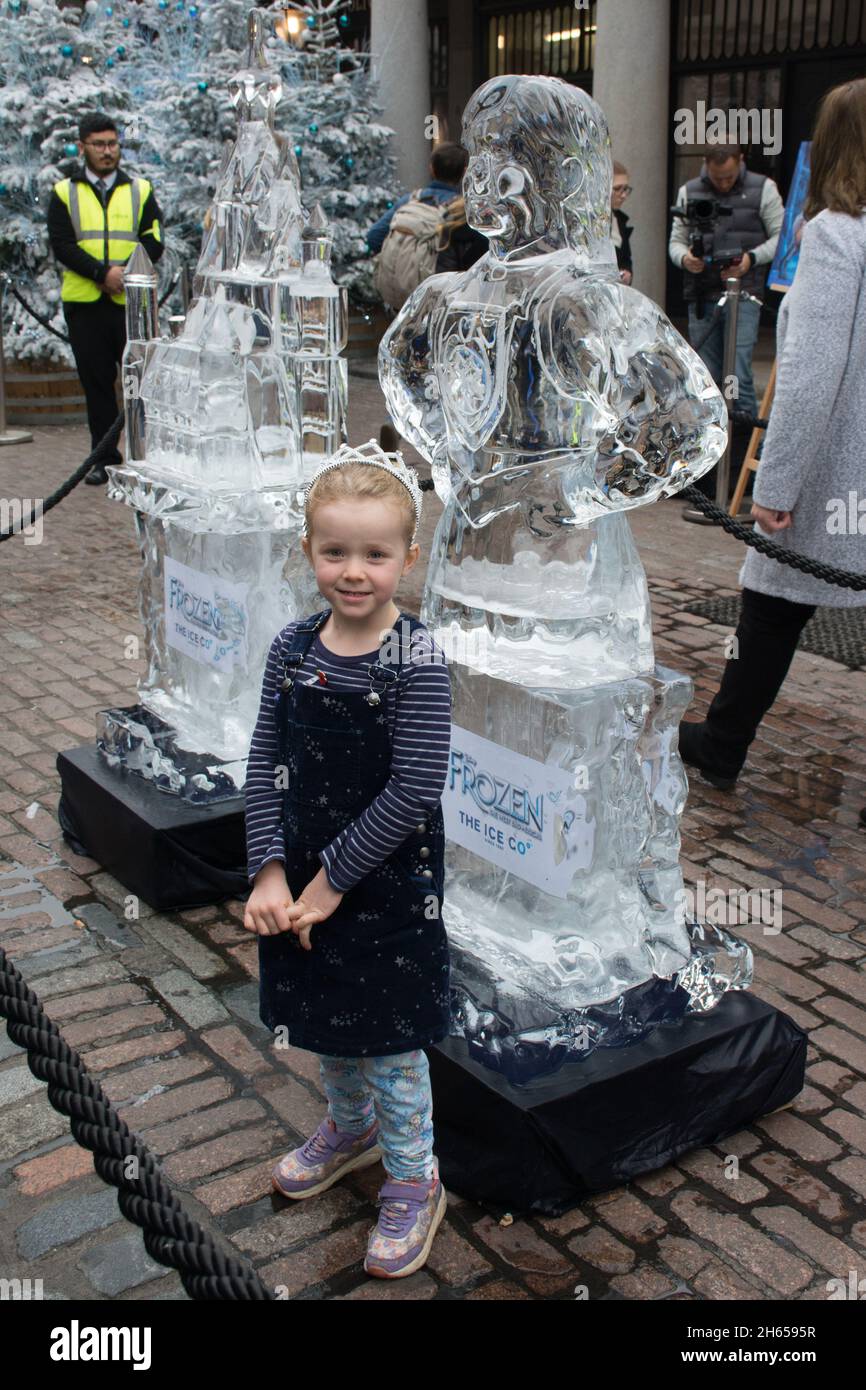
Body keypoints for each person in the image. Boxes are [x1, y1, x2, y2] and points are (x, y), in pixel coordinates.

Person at [243, 442, 453, 1280]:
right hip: (300, 880)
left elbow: (413, 789)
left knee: (393, 1042)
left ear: (408, 555)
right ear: (309, 552)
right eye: (335, 552)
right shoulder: (293, 649)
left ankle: (413, 1175)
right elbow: (262, 759)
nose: (354, 572)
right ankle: (350, 1126)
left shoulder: (418, 661)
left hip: (386, 889)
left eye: (375, 554)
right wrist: (267, 871)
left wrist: (331, 883)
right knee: (327, 1018)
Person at [679, 79, 866, 790]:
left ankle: (723, 741)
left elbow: (815, 374)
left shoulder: (837, 237)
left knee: (769, 607)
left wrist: (775, 483)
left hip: (833, 471)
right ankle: (721, 739)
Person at [47, 112, 164, 485]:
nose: (107, 151)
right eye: (99, 144)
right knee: (96, 383)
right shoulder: (65, 192)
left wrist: (124, 273)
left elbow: (154, 240)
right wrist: (101, 274)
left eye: (112, 143)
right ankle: (104, 458)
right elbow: (62, 245)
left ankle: (145, 456)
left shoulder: (139, 190)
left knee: (141, 382)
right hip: (85, 302)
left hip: (131, 303)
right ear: (83, 147)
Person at [669, 145, 784, 422]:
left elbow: (782, 237)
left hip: (744, 293)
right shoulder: (690, 190)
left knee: (738, 374)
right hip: (702, 294)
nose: (723, 182)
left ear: (740, 162)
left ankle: (744, 447)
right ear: (706, 164)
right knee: (706, 375)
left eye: (730, 176)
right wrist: (686, 259)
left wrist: (751, 259)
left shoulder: (763, 188)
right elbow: (676, 242)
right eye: (718, 177)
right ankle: (711, 444)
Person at [611, 161, 633, 284]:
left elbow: (626, 259)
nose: (623, 195)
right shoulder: (588, 222)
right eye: (618, 189)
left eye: (625, 189)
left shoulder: (620, 220)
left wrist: (627, 273)